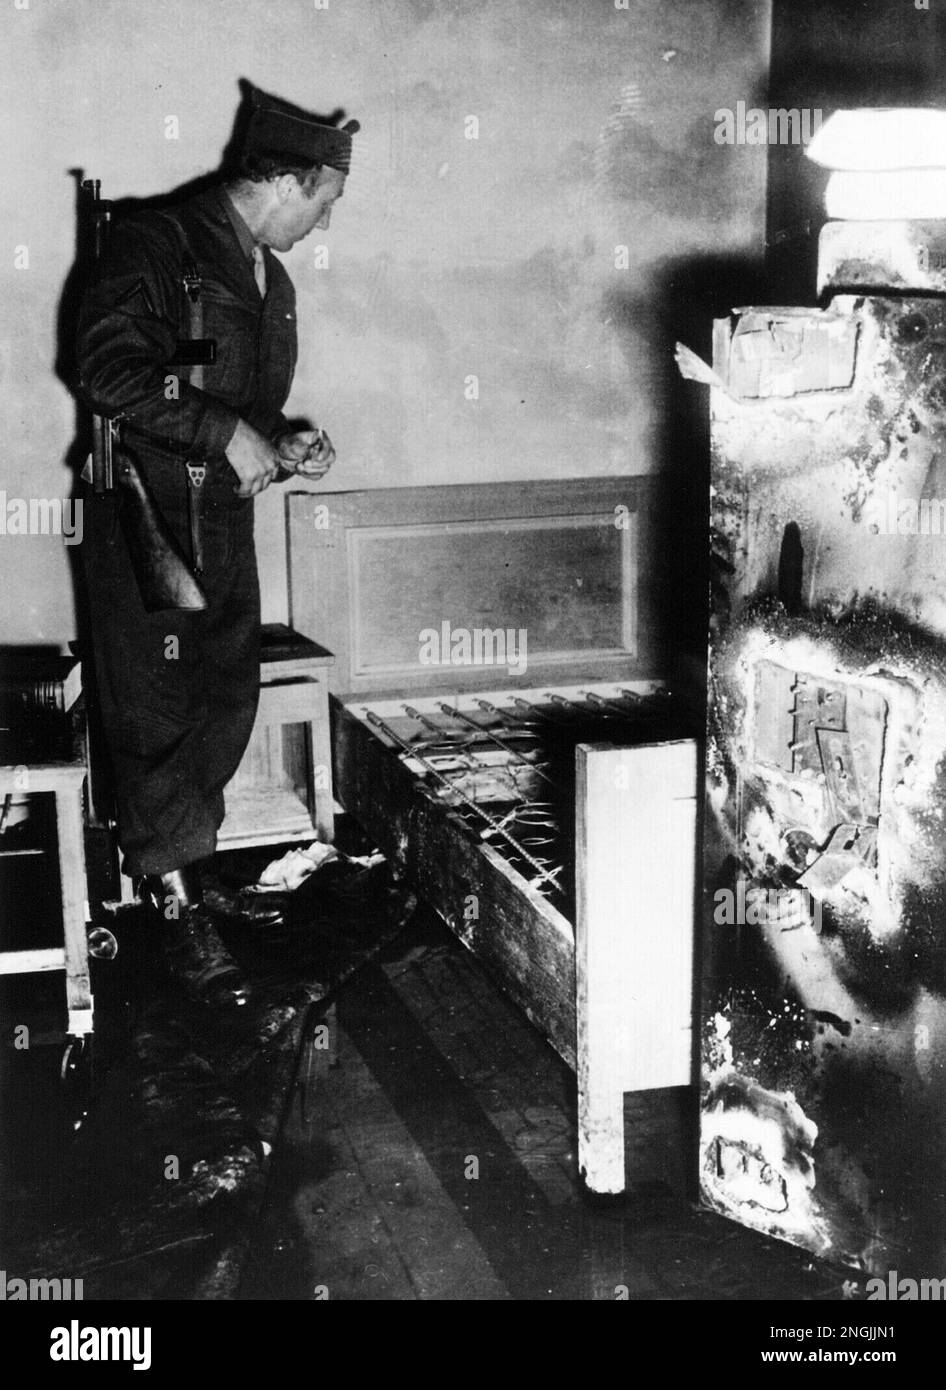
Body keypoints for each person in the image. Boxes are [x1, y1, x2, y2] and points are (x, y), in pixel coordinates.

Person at [76, 86, 358, 1009]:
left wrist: (279, 443)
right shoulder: (156, 244)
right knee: (155, 711)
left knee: (223, 698)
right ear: (286, 179)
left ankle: (186, 883)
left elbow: (239, 408)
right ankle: (174, 910)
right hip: (145, 516)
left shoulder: (261, 274)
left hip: (221, 518)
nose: (324, 223)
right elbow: (107, 371)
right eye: (326, 201)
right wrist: (221, 433)